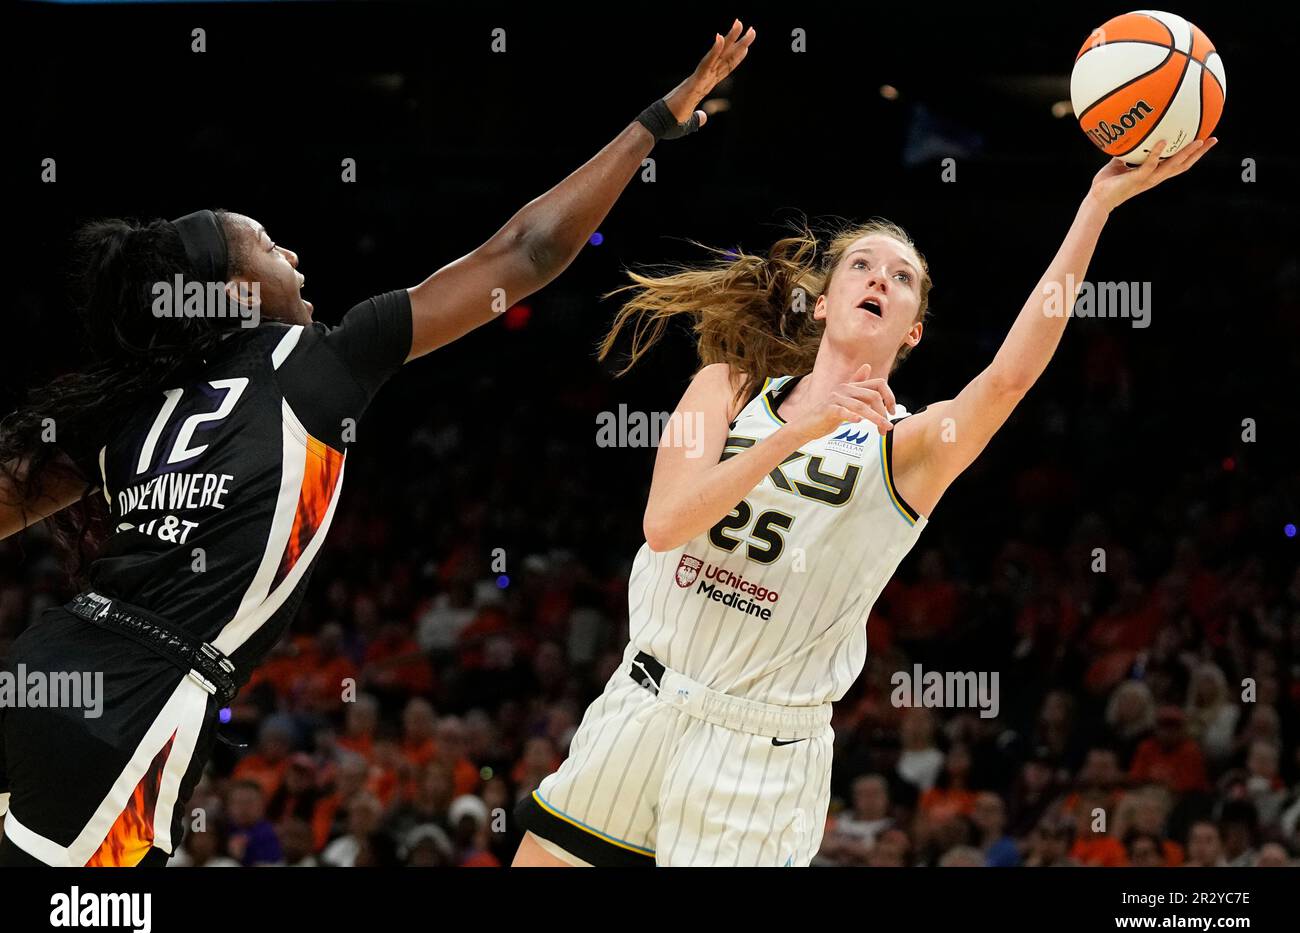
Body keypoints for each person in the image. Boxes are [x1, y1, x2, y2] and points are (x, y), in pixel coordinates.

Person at [0, 22, 755, 867]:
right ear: (234, 290)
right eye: (266, 243)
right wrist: (651, 124)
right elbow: (528, 252)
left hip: (42, 666)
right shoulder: (320, 362)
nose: (291, 252)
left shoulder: (127, 402)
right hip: (136, 702)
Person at [514, 135, 1217, 866]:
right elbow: (666, 526)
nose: (880, 277)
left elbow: (1008, 378)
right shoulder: (725, 387)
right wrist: (798, 432)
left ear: (912, 329)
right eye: (862, 264)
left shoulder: (907, 450)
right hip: (641, 707)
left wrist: (1097, 204)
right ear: (822, 304)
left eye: (902, 276)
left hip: (761, 756)